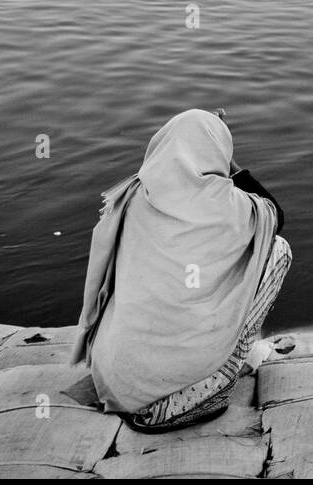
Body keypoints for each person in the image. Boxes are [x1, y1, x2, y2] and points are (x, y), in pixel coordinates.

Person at [71, 109, 292, 432]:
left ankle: (156, 371)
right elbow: (275, 215)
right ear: (219, 150)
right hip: (177, 379)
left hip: (118, 373)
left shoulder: (134, 195)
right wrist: (228, 159)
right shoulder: (230, 205)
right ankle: (213, 373)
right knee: (277, 251)